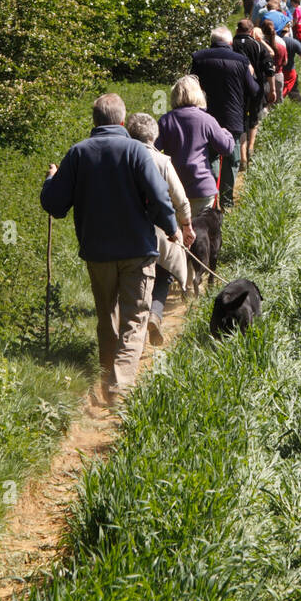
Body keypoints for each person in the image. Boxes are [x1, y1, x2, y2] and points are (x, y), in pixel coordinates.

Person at [41, 93, 178, 409]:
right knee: (136, 317)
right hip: (137, 249)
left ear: (95, 121)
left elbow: (54, 205)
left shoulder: (78, 154)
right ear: (121, 120)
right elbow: (158, 196)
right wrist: (171, 227)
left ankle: (108, 376)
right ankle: (119, 385)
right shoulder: (135, 150)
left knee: (108, 315)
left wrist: (51, 179)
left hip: (97, 252)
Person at [127, 112, 195, 347]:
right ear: (154, 136)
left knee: (134, 279)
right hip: (161, 230)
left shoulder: (121, 157)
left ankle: (136, 322)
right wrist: (186, 226)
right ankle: (155, 314)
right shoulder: (162, 162)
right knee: (164, 273)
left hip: (130, 232)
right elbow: (180, 199)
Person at [189, 30, 259, 208]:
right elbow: (253, 89)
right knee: (231, 159)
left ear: (212, 42)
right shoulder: (241, 61)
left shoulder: (199, 58)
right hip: (233, 117)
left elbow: (191, 87)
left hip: (206, 117)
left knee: (210, 157)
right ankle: (227, 203)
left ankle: (211, 201)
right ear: (229, 43)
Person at [155, 75, 234, 217]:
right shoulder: (206, 119)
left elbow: (153, 149)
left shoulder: (165, 120)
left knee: (178, 233)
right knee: (201, 234)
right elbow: (226, 148)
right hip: (202, 186)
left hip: (174, 186)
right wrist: (226, 134)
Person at [233, 17, 275, 166]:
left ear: (237, 30)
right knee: (254, 119)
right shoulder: (258, 46)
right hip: (257, 89)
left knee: (242, 120)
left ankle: (242, 156)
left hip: (238, 91)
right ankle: (251, 147)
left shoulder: (231, 45)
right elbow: (269, 69)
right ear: (251, 31)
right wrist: (273, 90)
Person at [262, 17, 288, 103]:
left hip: (265, 78)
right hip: (278, 76)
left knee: (265, 103)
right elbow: (285, 62)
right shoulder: (281, 44)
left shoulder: (262, 45)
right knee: (278, 103)